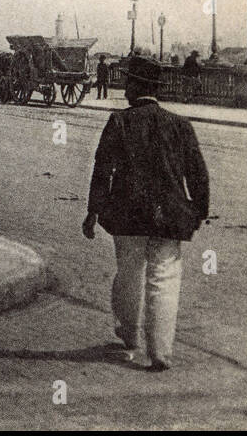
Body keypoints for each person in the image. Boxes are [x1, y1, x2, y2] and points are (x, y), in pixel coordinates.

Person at [84, 55, 209, 371]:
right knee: (164, 279)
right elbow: (198, 173)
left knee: (128, 275)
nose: (124, 88)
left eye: (128, 82)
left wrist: (93, 211)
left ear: (137, 86)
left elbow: (103, 170)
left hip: (128, 214)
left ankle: (129, 337)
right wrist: (199, 209)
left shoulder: (120, 121)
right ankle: (160, 352)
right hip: (169, 215)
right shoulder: (180, 124)